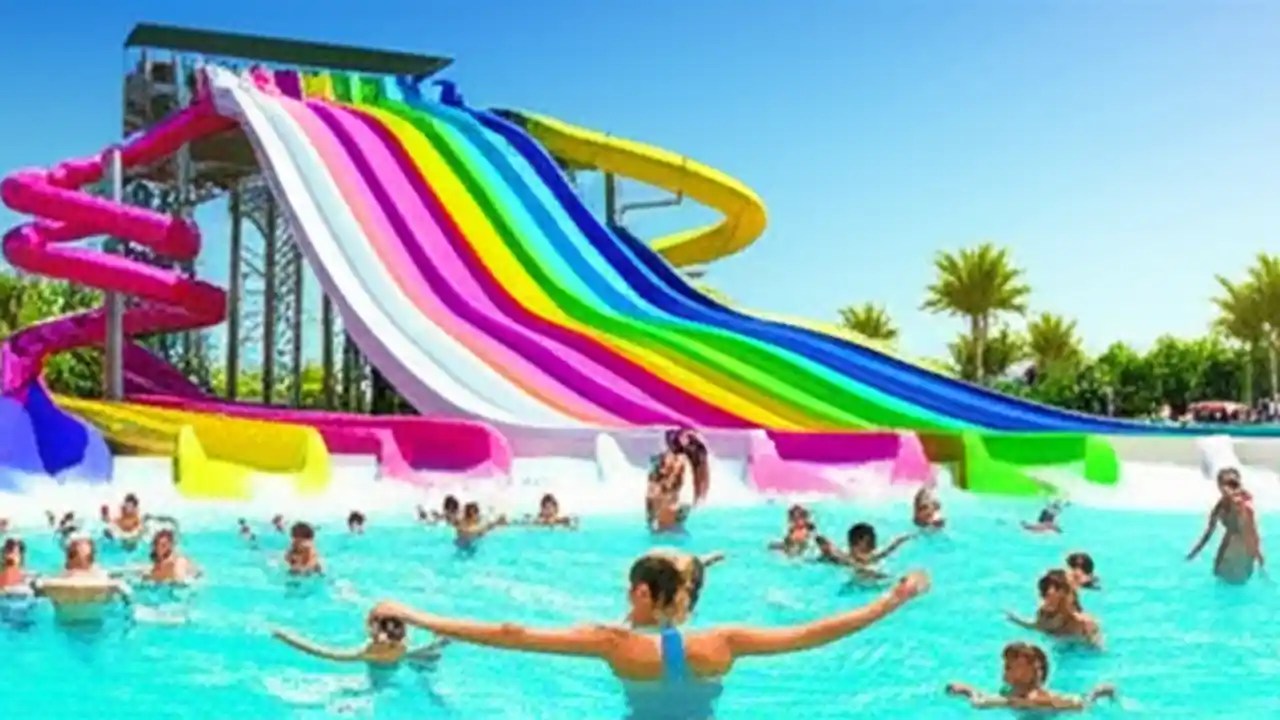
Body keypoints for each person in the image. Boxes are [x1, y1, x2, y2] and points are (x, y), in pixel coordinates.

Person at [367, 554, 929, 718]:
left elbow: (510, 633)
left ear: (640, 592)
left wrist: (415, 614)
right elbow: (814, 632)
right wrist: (891, 599)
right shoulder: (723, 643)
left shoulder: (612, 644)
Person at [946, 642, 1116, 711]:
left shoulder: (1032, 697)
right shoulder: (1009, 691)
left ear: (1029, 673)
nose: (1004, 669)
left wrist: (968, 691)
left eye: (1009, 666)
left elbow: (981, 703)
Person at [272, 616, 450, 670]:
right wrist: (441, 641)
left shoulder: (371, 652)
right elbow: (412, 651)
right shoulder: (399, 647)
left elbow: (324, 653)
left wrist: (286, 638)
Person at [1187, 467, 1265, 584]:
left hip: (1242, 546)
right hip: (1229, 542)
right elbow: (1209, 532)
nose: (1227, 488)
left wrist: (1258, 557)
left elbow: (1251, 533)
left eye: (1232, 484)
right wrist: (1194, 553)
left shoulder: (1243, 506)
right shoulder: (1221, 506)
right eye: (1225, 484)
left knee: (1234, 581)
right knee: (1218, 575)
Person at [35, 536, 132, 622]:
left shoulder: (54, 582)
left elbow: (38, 590)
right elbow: (126, 595)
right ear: (93, 560)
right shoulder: (107, 581)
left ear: (67, 560)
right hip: (97, 628)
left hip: (65, 628)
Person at [1006, 570, 1100, 647]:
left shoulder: (1085, 623)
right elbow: (1038, 627)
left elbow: (1096, 650)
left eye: (1047, 594)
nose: (1044, 598)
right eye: (1043, 593)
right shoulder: (1044, 614)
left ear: (1063, 593)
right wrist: (1018, 621)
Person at [816, 523, 914, 581]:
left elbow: (884, 552)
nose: (873, 546)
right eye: (871, 542)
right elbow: (861, 568)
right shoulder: (844, 558)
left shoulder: (868, 556)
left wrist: (899, 541)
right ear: (859, 543)